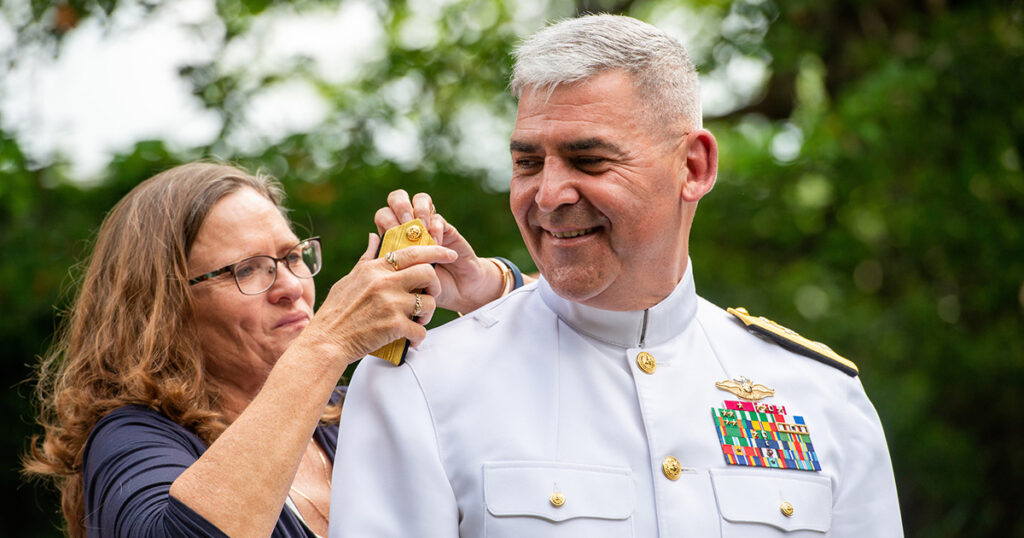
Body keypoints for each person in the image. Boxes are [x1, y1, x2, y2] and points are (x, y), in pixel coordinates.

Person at [330, 14, 903, 537]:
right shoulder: (422, 387)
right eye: (527, 162)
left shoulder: (823, 396)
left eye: (590, 160)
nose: (549, 195)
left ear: (694, 167)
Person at [23, 162, 525, 537]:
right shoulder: (133, 433)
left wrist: (484, 287)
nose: (290, 286)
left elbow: (568, 365)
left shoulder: (350, 411)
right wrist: (328, 343)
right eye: (247, 269)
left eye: (291, 257)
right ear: (162, 306)